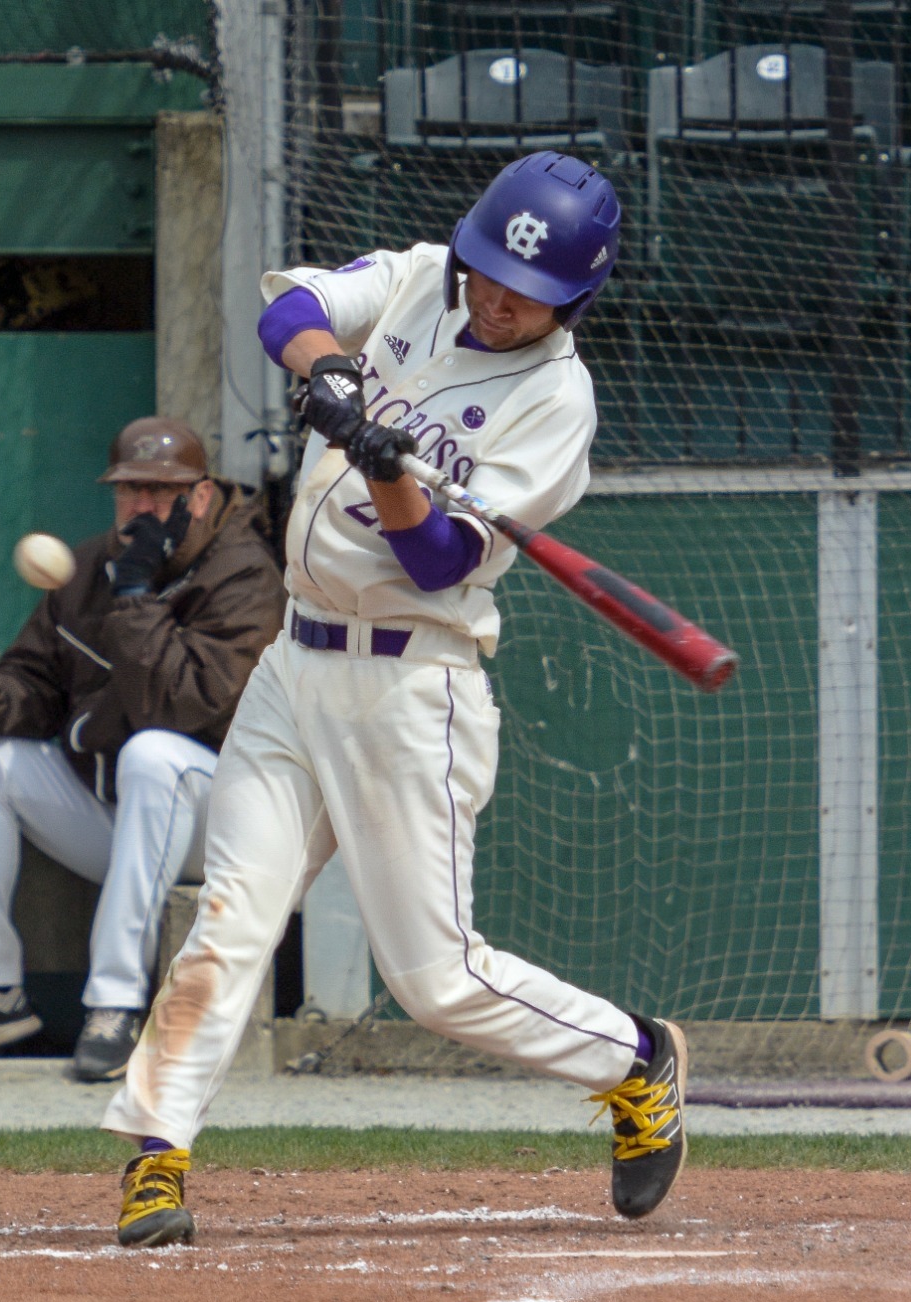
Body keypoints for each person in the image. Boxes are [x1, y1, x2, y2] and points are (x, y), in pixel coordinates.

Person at [101, 152, 688, 1246]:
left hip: (413, 684)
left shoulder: (554, 402)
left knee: (434, 981)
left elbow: (434, 560)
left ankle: (633, 1058)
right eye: (489, 276)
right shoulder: (427, 277)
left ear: (574, 300)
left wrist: (387, 466)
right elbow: (300, 308)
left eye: (530, 295)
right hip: (291, 662)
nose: (499, 302)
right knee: (227, 921)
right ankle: (156, 1156)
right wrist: (333, 374)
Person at [0, 418, 285, 1082]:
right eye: (128, 490)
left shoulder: (244, 574)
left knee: (153, 753)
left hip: (222, 822)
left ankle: (115, 1000)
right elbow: (35, 681)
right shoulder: (87, 571)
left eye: (158, 492)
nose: (140, 507)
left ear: (197, 496)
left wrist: (136, 597)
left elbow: (187, 705)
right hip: (123, 814)